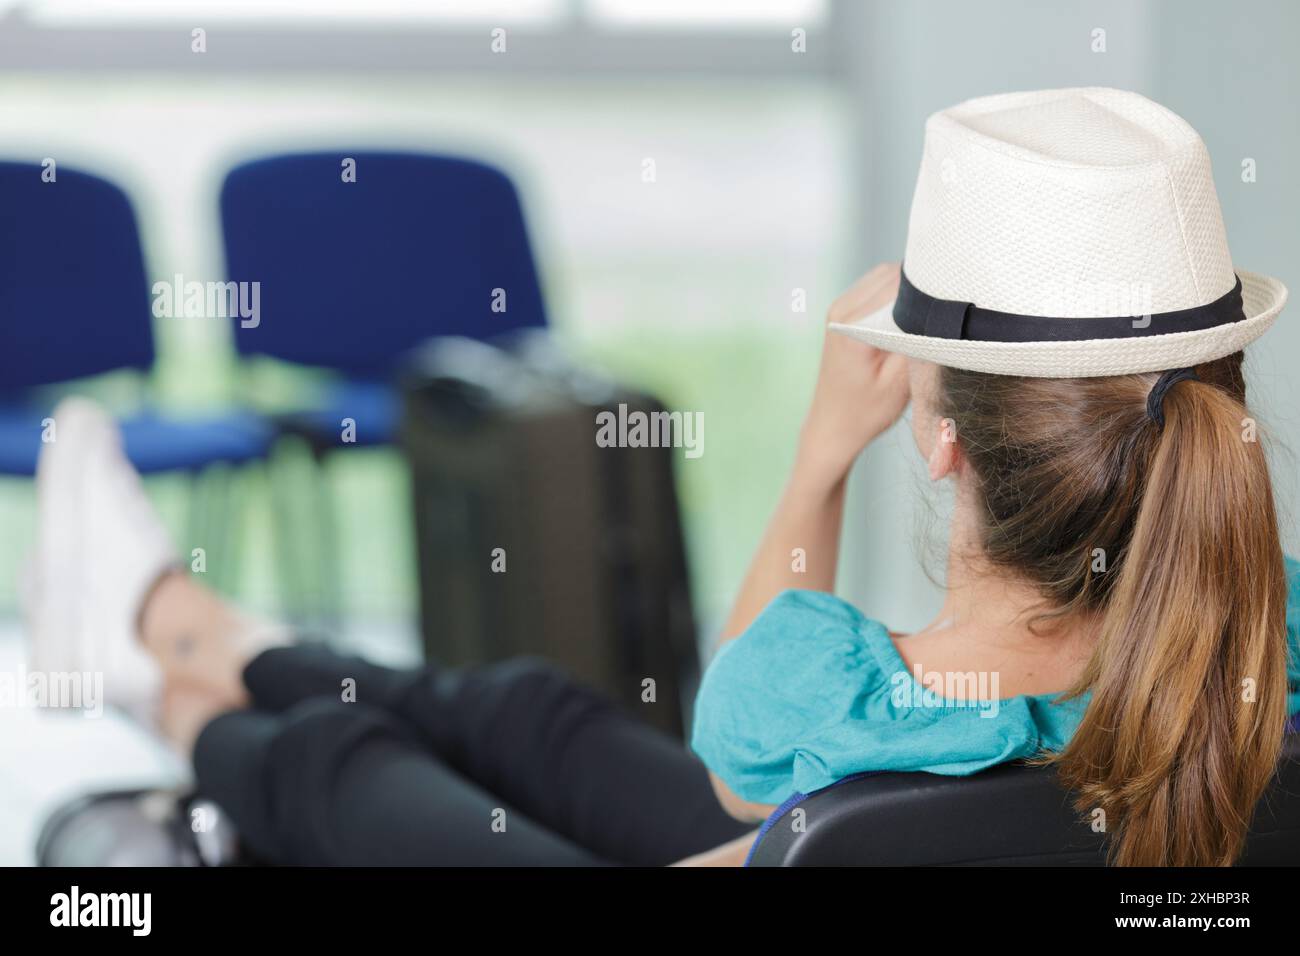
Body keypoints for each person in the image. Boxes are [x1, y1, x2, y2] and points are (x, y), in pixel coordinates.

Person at [24, 87, 1300, 867]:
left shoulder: (830, 699)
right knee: (529, 713)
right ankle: (183, 625)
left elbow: (730, 763)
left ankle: (161, 670)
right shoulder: (1269, 636)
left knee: (336, 763)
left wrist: (819, 452)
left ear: (943, 439)